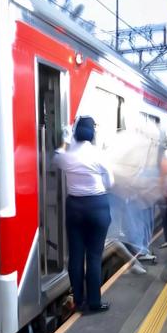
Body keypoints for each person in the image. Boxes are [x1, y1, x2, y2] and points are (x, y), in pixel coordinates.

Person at [54, 117, 114, 313]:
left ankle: (79, 301)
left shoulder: (66, 156)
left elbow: (56, 156)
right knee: (94, 257)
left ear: (75, 133)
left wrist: (65, 142)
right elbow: (110, 183)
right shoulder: (99, 155)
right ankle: (94, 302)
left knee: (76, 256)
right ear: (92, 134)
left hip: (74, 207)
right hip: (97, 206)